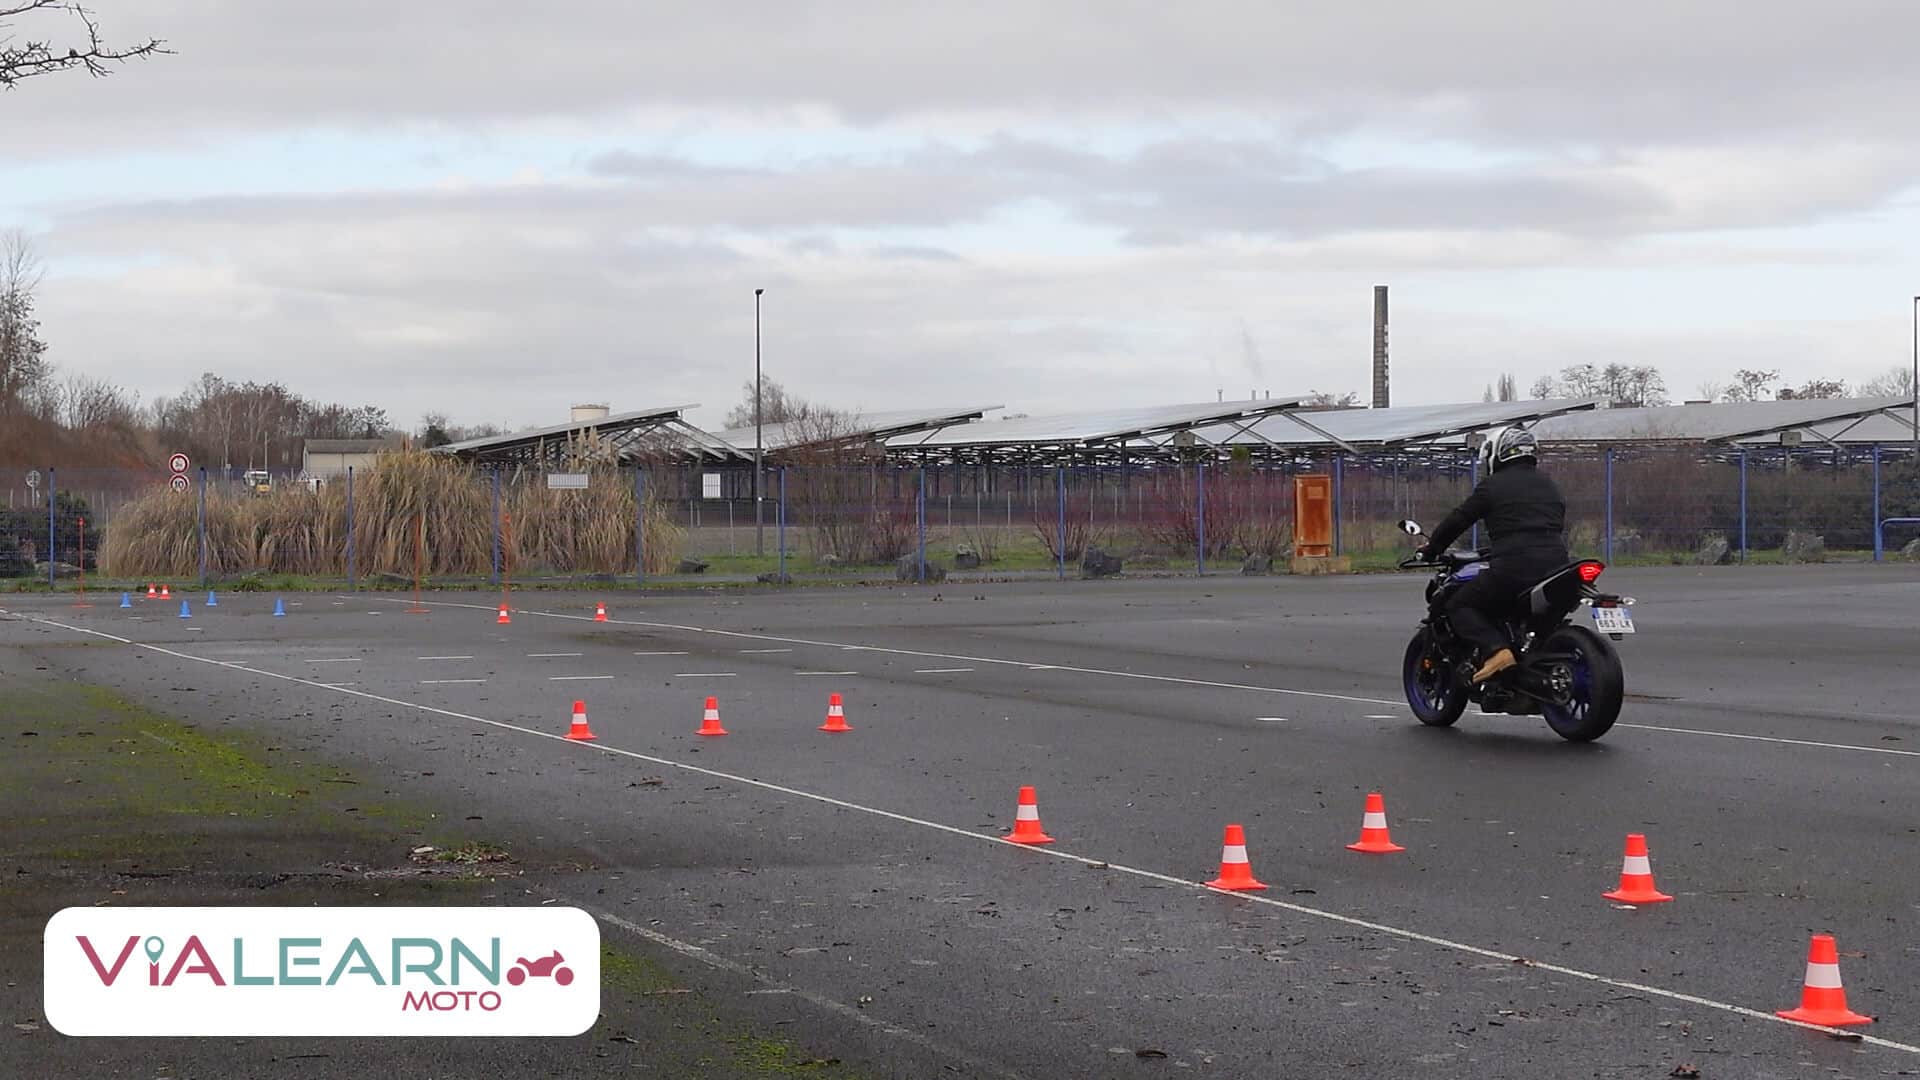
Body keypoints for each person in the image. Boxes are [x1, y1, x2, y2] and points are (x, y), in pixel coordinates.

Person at [1416, 425, 1569, 683]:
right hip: (1558, 564)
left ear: (1497, 454)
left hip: (1515, 567)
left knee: (1459, 604)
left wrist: (1433, 549)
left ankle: (1496, 650)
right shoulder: (1549, 485)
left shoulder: (1492, 486)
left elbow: (1459, 519)